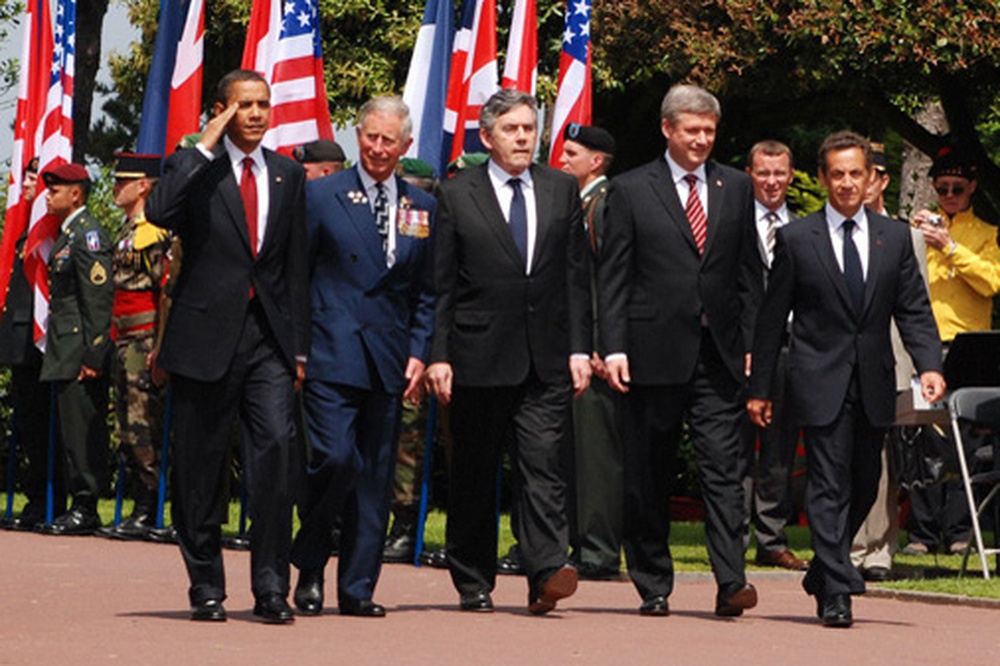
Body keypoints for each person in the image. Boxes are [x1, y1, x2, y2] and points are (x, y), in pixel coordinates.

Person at [748, 131, 946, 628]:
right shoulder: (797, 238)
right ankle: (837, 590)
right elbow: (772, 319)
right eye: (836, 174)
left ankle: (821, 567)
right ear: (822, 178)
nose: (846, 183)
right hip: (816, 378)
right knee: (827, 484)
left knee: (863, 484)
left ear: (872, 179)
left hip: (874, 380)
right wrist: (759, 390)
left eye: (856, 173)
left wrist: (930, 366)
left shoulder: (895, 238)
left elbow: (914, 310)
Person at [145, 69, 309, 624]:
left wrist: (300, 348)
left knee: (276, 459)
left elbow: (295, 268)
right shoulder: (194, 168)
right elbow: (158, 212)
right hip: (204, 340)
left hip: (268, 341)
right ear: (221, 110)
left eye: (264, 104)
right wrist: (203, 146)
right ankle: (207, 587)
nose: (258, 114)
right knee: (200, 469)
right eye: (245, 105)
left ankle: (270, 588)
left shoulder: (288, 175)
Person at [426, 89, 592, 615]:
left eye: (529, 128)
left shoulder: (562, 189)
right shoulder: (455, 195)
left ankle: (546, 570)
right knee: (475, 472)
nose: (523, 137)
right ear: (487, 136)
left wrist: (580, 349)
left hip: (545, 359)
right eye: (512, 129)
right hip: (477, 356)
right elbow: (441, 285)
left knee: (543, 465)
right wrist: (439, 355)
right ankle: (473, 578)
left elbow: (575, 277)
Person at [599, 84, 762, 617]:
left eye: (709, 131)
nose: (701, 140)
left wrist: (753, 344)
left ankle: (731, 581)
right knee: (649, 471)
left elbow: (747, 273)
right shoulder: (628, 189)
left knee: (723, 469)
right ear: (668, 129)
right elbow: (614, 276)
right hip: (650, 351)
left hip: (718, 354)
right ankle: (653, 583)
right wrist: (614, 346)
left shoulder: (736, 186)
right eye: (691, 130)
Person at [290, 96, 435, 618]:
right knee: (335, 459)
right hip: (331, 351)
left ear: (406, 146)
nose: (377, 148)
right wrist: (299, 350)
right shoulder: (323, 195)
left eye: (388, 140)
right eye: (370, 137)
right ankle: (309, 562)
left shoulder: (423, 207)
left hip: (391, 358)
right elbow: (298, 278)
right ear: (358, 135)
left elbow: (427, 290)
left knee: (374, 478)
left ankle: (356, 586)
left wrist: (420, 350)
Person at [904, 146, 1000, 556]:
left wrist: (951, 248)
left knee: (965, 440)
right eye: (941, 188)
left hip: (966, 345)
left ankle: (962, 530)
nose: (949, 195)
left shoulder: (987, 234)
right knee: (921, 438)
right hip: (923, 343)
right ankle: (922, 533)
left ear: (972, 187)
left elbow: (992, 282)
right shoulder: (916, 230)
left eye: (957, 188)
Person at [850, 143, 927, 582]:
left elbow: (918, 308)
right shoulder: (823, 231)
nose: (859, 183)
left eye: (869, 174)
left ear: (880, 181)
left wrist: (917, 368)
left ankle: (876, 547)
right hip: (841, 363)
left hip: (890, 363)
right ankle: (845, 544)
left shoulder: (905, 237)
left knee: (881, 463)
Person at [558, 122, 624, 581]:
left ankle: (598, 550)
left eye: (572, 154)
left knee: (596, 453)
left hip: (598, 355)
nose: (562, 161)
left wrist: (602, 344)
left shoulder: (607, 203)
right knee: (573, 453)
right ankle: (579, 541)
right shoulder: (580, 203)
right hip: (575, 349)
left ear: (596, 161)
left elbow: (610, 281)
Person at [35, 163, 114, 536]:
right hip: (66, 348)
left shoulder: (88, 235)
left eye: (56, 190)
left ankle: (86, 505)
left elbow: (97, 300)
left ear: (76, 194)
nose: (49, 196)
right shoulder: (69, 235)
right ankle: (78, 502)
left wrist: (94, 355)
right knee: (71, 429)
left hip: (79, 350)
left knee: (83, 431)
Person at [742, 140, 809, 572]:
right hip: (740, 352)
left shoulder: (804, 231)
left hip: (790, 349)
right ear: (750, 173)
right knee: (733, 447)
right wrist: (747, 346)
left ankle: (770, 537)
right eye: (763, 173)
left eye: (779, 173)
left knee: (780, 449)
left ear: (790, 175)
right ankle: (730, 536)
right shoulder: (730, 225)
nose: (771, 182)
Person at [99, 153, 171, 541]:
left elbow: (164, 294)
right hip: (122, 336)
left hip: (144, 339)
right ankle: (139, 504)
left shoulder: (154, 233)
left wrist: (160, 347)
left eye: (123, 181)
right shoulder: (126, 230)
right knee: (125, 426)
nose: (115, 187)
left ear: (144, 185)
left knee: (142, 425)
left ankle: (149, 505)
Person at [0, 157, 62, 531]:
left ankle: (47, 498)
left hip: (38, 342)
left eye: (33, 178)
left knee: (43, 426)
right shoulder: (24, 232)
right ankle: (35, 497)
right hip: (17, 340)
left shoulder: (48, 235)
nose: (25, 183)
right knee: (26, 425)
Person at [382, 156, 438, 565]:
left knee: (408, 441)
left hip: (416, 348)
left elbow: (432, 292)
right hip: (379, 342)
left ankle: (404, 524)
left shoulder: (428, 223)